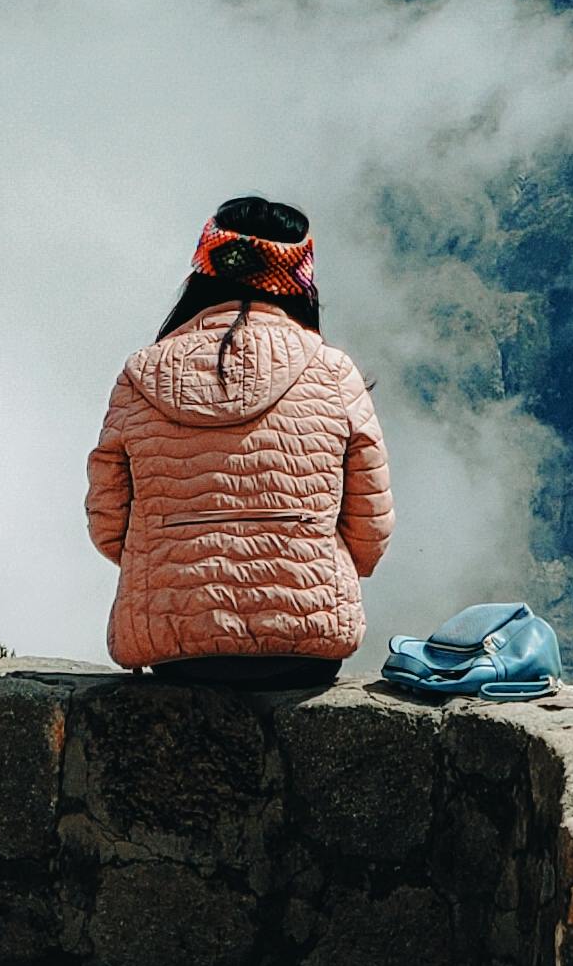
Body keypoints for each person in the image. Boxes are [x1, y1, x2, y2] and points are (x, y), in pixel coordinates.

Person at [85, 199, 394, 689]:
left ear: (202, 273)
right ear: (301, 284)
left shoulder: (140, 376)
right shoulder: (334, 373)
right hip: (305, 648)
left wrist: (170, 562)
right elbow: (369, 530)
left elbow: (107, 524)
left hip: (176, 651)